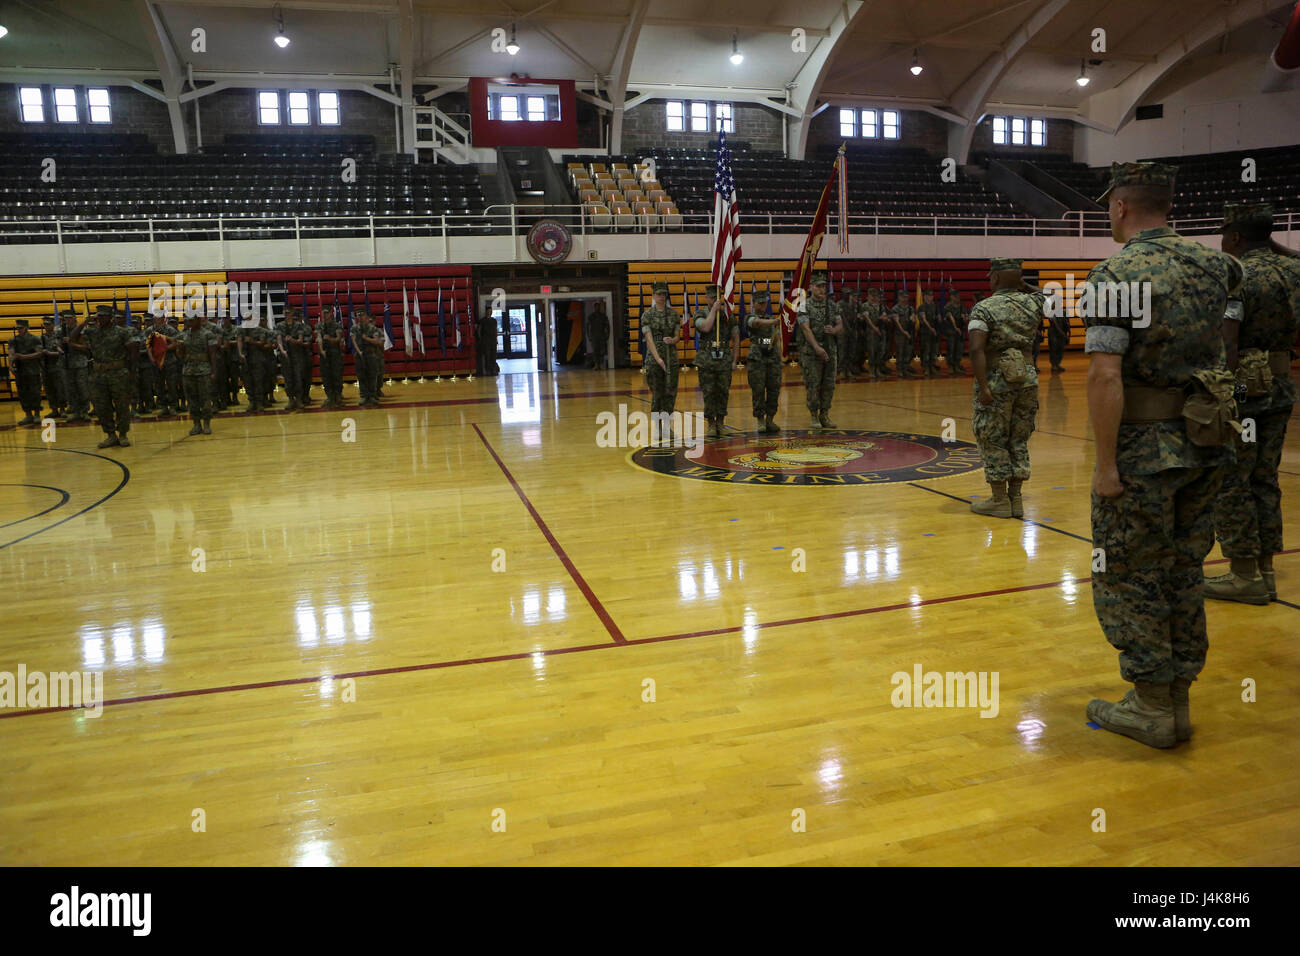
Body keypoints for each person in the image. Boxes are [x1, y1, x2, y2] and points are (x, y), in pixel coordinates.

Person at [1083, 161, 1243, 749]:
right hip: (1207, 442)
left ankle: (1152, 704)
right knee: (1182, 569)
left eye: (1109, 205)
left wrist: (1105, 465)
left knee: (1129, 572)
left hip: (1144, 451)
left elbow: (1105, 377)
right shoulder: (1219, 265)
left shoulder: (1116, 275)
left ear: (1122, 205)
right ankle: (1176, 696)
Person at [1205, 202, 1300, 605]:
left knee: (1233, 478)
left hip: (1245, 389)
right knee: (1264, 478)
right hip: (1280, 385)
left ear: (1236, 237)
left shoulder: (1237, 275)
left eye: (1226, 235)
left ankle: (1244, 575)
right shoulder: (1293, 270)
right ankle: (1265, 571)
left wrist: (1227, 397)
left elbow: (1228, 344)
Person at [967, 259, 1042, 518]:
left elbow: (976, 349)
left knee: (992, 436)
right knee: (1018, 436)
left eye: (991, 276)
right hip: (1027, 378)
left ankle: (999, 500)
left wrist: (984, 387)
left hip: (997, 379)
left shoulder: (983, 308)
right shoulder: (1033, 303)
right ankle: (1016, 499)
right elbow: (1053, 300)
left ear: (996, 278)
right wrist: (1024, 285)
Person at [74, 304, 137, 448]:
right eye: (98, 316)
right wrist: (83, 323)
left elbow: (133, 351)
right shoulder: (92, 332)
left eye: (103, 316)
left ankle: (122, 435)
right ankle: (111, 435)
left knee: (122, 406)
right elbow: (73, 339)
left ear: (111, 317)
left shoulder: (122, 332)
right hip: (99, 376)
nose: (100, 318)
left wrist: (132, 372)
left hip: (118, 374)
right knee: (102, 407)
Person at [693, 284, 740, 439]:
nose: (714, 300)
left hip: (724, 359)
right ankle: (711, 424)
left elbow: (736, 338)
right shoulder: (700, 313)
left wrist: (734, 360)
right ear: (706, 298)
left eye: (717, 298)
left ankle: (721, 422)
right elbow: (706, 328)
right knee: (709, 392)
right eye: (712, 298)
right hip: (707, 359)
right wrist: (713, 310)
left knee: (723, 392)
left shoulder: (728, 316)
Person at [796, 273, 840, 428]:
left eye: (823, 286)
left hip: (829, 350)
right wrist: (817, 347)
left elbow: (840, 325)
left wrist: (834, 330)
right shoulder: (803, 306)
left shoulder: (832, 305)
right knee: (813, 384)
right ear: (811, 287)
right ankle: (814, 416)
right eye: (818, 286)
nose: (822, 289)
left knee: (829, 384)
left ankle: (825, 415)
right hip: (812, 352)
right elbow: (806, 329)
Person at [641, 282, 681, 435]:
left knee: (670, 393)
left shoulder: (673, 314)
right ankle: (657, 427)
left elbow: (677, 335)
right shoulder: (647, 315)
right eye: (658, 294)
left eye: (664, 294)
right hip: (654, 358)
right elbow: (649, 338)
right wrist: (658, 359)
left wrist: (673, 340)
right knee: (657, 393)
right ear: (653, 296)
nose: (661, 297)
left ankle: (666, 426)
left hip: (671, 358)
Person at [745, 290, 781, 433]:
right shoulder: (750, 317)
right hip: (757, 359)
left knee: (774, 389)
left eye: (764, 302)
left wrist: (779, 355)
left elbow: (776, 338)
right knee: (758, 390)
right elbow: (757, 323)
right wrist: (774, 321)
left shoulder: (771, 320)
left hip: (772, 358)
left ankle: (770, 420)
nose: (762, 305)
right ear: (753, 304)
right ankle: (760, 420)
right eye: (759, 303)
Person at [176, 313, 218, 435]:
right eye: (187, 321)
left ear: (198, 321)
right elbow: (180, 355)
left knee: (205, 398)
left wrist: (214, 371)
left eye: (191, 321)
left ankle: (206, 424)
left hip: (203, 369)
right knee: (192, 399)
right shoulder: (183, 335)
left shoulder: (208, 334)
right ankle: (196, 424)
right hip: (188, 370)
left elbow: (213, 354)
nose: (189, 323)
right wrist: (180, 347)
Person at [9, 319, 46, 426]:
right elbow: (11, 353)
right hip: (20, 371)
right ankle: (28, 414)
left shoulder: (34, 339)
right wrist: (11, 365)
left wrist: (23, 357)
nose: (19, 330)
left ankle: (37, 414)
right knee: (23, 393)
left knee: (35, 392)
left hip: (33, 370)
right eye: (18, 328)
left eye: (21, 328)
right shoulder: (13, 340)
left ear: (26, 327)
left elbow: (39, 353)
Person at [61, 309, 92, 422]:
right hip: (66, 364)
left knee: (82, 388)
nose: (67, 320)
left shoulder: (82, 331)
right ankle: (76, 412)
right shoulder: (62, 331)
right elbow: (57, 345)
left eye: (70, 318)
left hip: (80, 364)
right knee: (71, 389)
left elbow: (86, 348)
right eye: (66, 318)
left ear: (75, 318)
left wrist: (71, 344)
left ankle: (85, 411)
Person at [282, 306, 313, 411]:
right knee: (289, 379)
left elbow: (306, 342)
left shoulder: (304, 327)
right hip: (289, 356)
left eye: (297, 317)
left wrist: (295, 342)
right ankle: (292, 399)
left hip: (302, 356)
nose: (296, 319)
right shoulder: (282, 326)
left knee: (302, 378)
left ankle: (303, 397)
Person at [40, 317, 69, 419]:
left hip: (57, 366)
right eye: (45, 324)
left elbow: (62, 352)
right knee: (49, 390)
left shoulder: (58, 337)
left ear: (53, 325)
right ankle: (54, 410)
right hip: (46, 368)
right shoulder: (42, 338)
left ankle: (62, 409)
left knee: (60, 389)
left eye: (48, 324)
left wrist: (50, 353)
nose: (46, 326)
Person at [317, 306, 346, 409]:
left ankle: (338, 396)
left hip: (335, 354)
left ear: (331, 313)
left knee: (336, 376)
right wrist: (321, 351)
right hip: (325, 355)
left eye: (326, 313)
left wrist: (330, 339)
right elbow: (319, 338)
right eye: (323, 313)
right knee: (326, 377)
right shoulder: (320, 325)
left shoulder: (336, 325)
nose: (325, 315)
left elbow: (338, 338)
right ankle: (329, 397)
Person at [860, 288, 887, 381]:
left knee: (881, 350)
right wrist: (874, 328)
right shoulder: (865, 306)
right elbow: (867, 319)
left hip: (881, 331)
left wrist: (884, 318)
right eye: (872, 295)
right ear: (868, 296)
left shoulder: (880, 306)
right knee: (872, 350)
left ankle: (877, 369)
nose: (874, 298)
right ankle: (871, 369)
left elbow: (884, 315)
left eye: (876, 296)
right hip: (871, 331)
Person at [891, 291, 917, 379]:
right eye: (902, 297)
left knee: (908, 352)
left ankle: (905, 369)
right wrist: (904, 331)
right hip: (900, 334)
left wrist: (913, 320)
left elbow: (914, 319)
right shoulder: (895, 309)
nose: (904, 299)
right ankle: (899, 370)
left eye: (906, 297)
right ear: (899, 298)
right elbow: (897, 323)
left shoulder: (910, 308)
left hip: (909, 333)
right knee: (900, 352)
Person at [917, 289, 941, 377]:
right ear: (924, 297)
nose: (930, 297)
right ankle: (926, 367)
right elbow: (924, 320)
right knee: (926, 350)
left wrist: (940, 320)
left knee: (934, 350)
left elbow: (938, 318)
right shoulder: (922, 307)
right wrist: (931, 328)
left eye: (931, 296)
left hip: (934, 332)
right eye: (928, 296)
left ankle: (932, 366)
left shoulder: (935, 306)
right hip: (926, 332)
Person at [838, 288, 860, 383]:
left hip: (853, 331)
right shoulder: (839, 304)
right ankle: (842, 370)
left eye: (849, 294)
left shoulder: (854, 305)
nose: (847, 295)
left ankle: (849, 370)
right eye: (845, 294)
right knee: (843, 351)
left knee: (851, 351)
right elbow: (843, 318)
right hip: (843, 331)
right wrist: (849, 328)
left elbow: (856, 318)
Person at [943, 288, 966, 376]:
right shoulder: (948, 307)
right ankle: (951, 366)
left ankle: (957, 365)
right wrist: (956, 327)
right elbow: (950, 317)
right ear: (952, 297)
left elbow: (964, 316)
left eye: (958, 296)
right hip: (951, 331)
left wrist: (965, 318)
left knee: (959, 349)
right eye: (955, 296)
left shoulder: (961, 306)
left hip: (960, 331)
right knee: (951, 349)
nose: (957, 298)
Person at [587, 300, 610, 371]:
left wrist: (607, 335)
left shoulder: (603, 316)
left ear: (600, 308)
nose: (597, 308)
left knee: (602, 351)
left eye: (598, 307)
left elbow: (607, 326)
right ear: (594, 308)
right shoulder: (591, 316)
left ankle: (601, 364)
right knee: (595, 351)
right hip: (594, 336)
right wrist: (589, 336)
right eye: (596, 307)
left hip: (602, 336)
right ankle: (596, 365)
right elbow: (587, 327)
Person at [1047, 306, 1071, 372]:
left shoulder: (1063, 312)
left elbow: (1067, 323)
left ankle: (1057, 364)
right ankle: (1053, 365)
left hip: (1062, 333)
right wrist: (1063, 334)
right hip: (1054, 333)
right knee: (1054, 349)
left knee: (1061, 349)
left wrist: (1068, 333)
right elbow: (1055, 324)